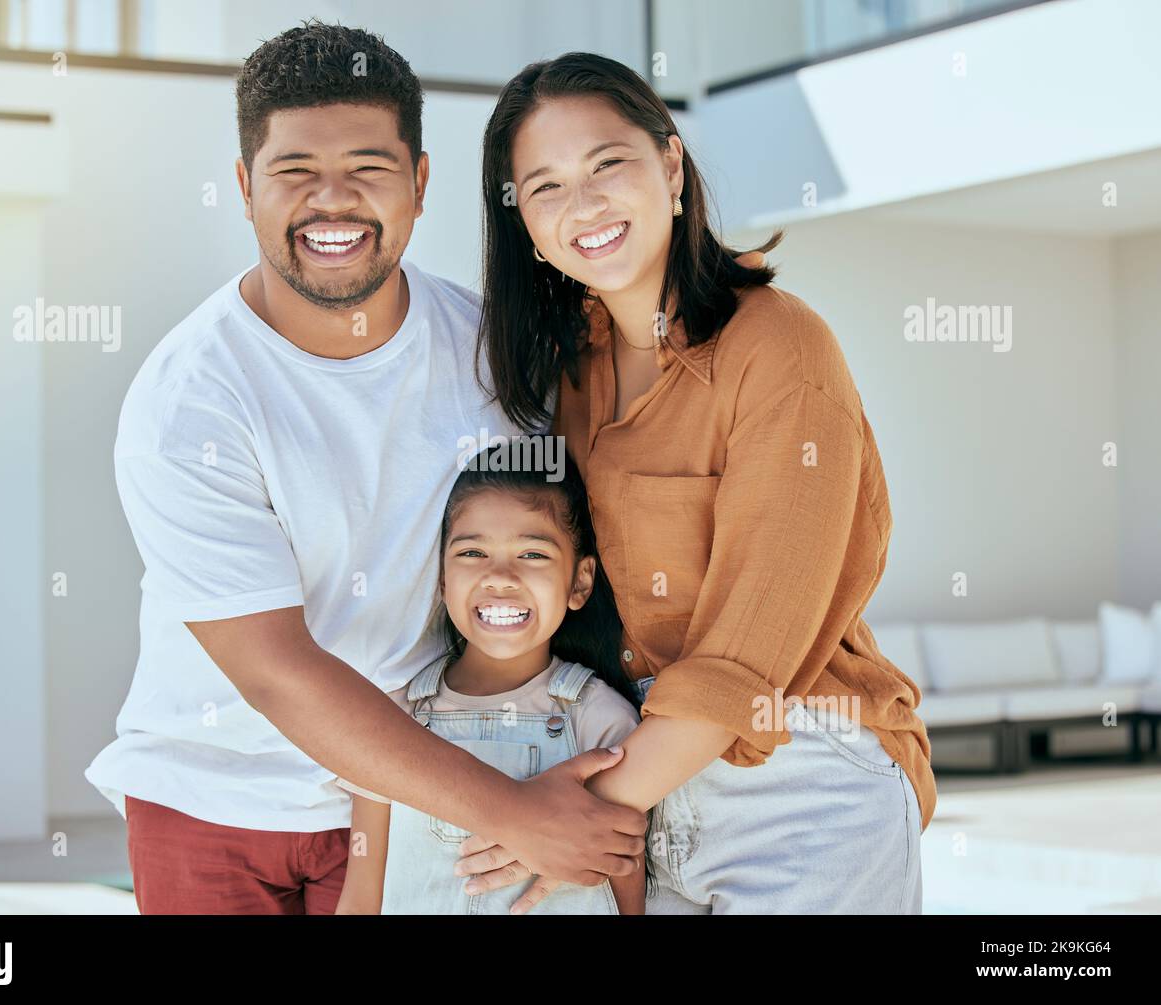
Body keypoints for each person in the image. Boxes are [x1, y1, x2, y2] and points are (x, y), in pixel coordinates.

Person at [84, 22, 647, 915]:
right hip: (215, 797)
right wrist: (514, 809)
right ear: (244, 187)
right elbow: (277, 669)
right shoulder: (188, 401)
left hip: (415, 798)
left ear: (420, 184)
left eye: (368, 170)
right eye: (295, 172)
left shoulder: (493, 358)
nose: (332, 202)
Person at [456, 52, 936, 914]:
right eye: (546, 187)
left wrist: (566, 821)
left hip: (798, 785)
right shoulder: (567, 373)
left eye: (609, 165)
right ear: (523, 222)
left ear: (671, 167)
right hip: (641, 789)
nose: (586, 205)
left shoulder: (780, 349)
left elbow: (744, 661)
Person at [334, 447, 649, 914]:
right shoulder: (393, 719)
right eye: (473, 552)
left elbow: (626, 892)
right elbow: (363, 891)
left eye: (532, 553)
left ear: (580, 583)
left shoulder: (599, 721)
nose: (500, 577)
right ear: (442, 578)